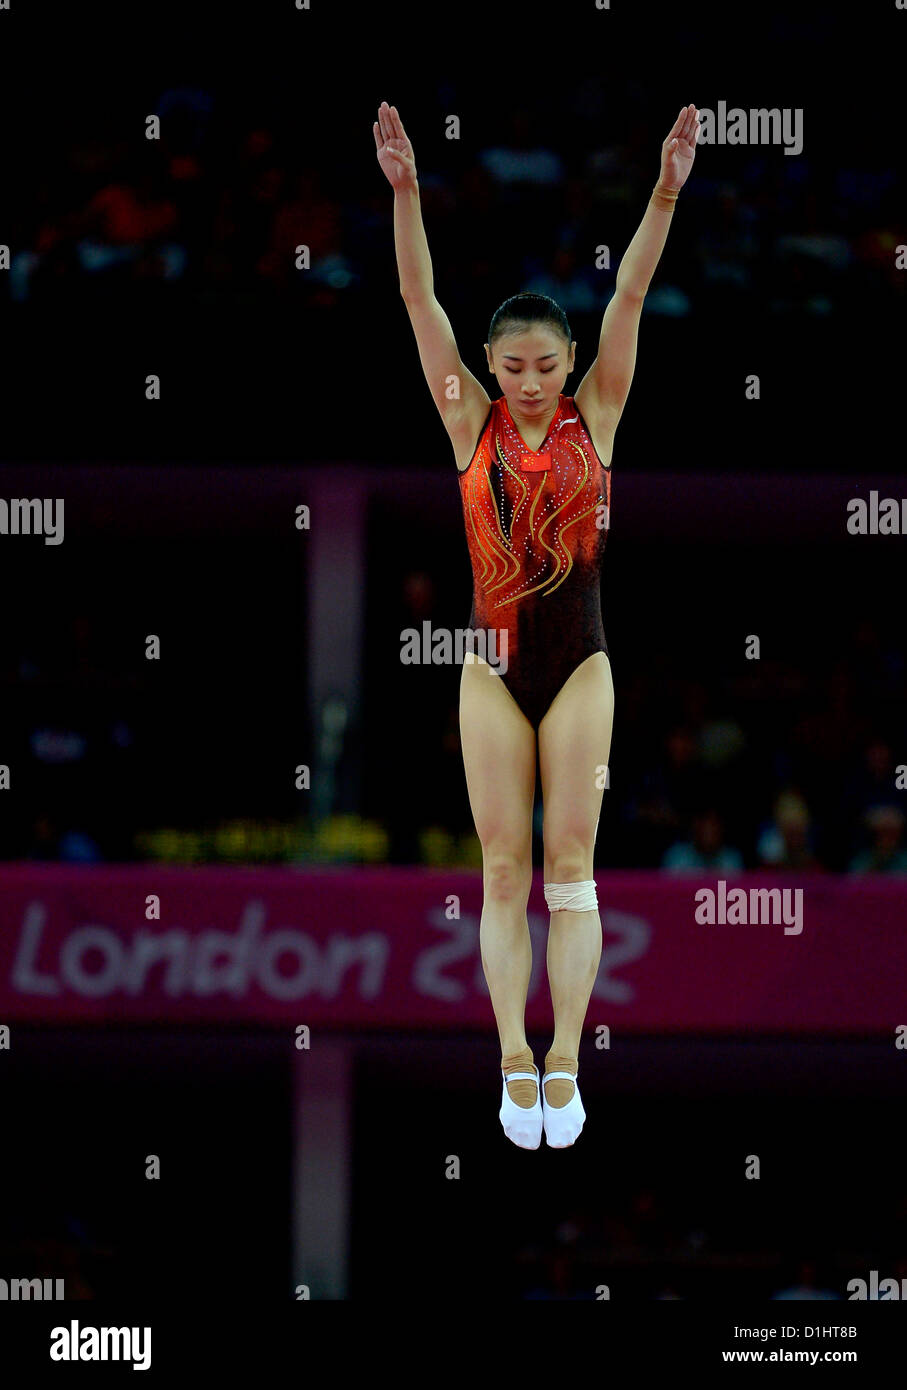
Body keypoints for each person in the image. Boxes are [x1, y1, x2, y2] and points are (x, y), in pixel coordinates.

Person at [375, 100, 700, 1148]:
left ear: (568, 364)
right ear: (487, 363)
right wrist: (407, 193)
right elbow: (416, 295)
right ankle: (513, 1051)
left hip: (580, 664)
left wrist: (662, 191)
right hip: (488, 663)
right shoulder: (464, 419)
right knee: (503, 871)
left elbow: (634, 289)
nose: (525, 385)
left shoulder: (597, 412)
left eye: (543, 368)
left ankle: (565, 1059)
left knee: (570, 867)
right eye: (509, 367)